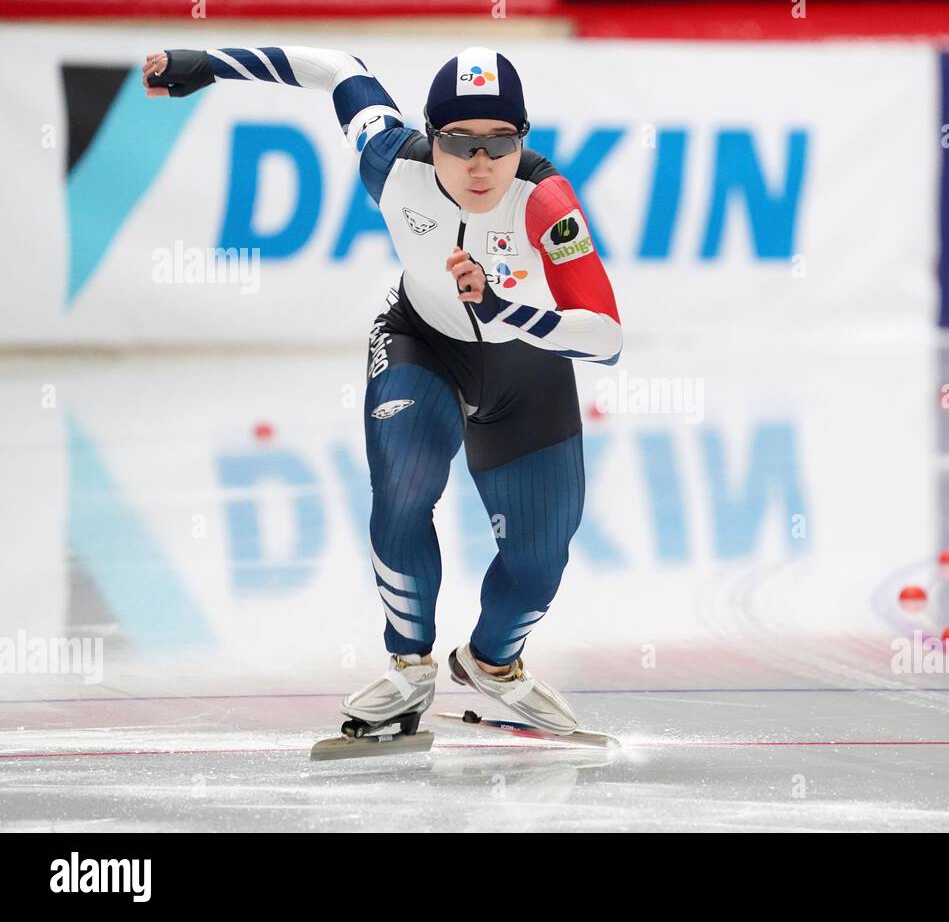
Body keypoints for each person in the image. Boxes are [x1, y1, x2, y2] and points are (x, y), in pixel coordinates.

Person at [143, 45, 621, 735]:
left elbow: (605, 336)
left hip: (528, 367)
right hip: (421, 344)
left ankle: (493, 663)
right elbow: (338, 69)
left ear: (523, 139)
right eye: (459, 142)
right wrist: (209, 62)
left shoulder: (548, 203)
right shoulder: (392, 161)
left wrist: (505, 311)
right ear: (431, 135)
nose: (480, 164)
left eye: (500, 143)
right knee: (404, 481)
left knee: (540, 559)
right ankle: (408, 666)